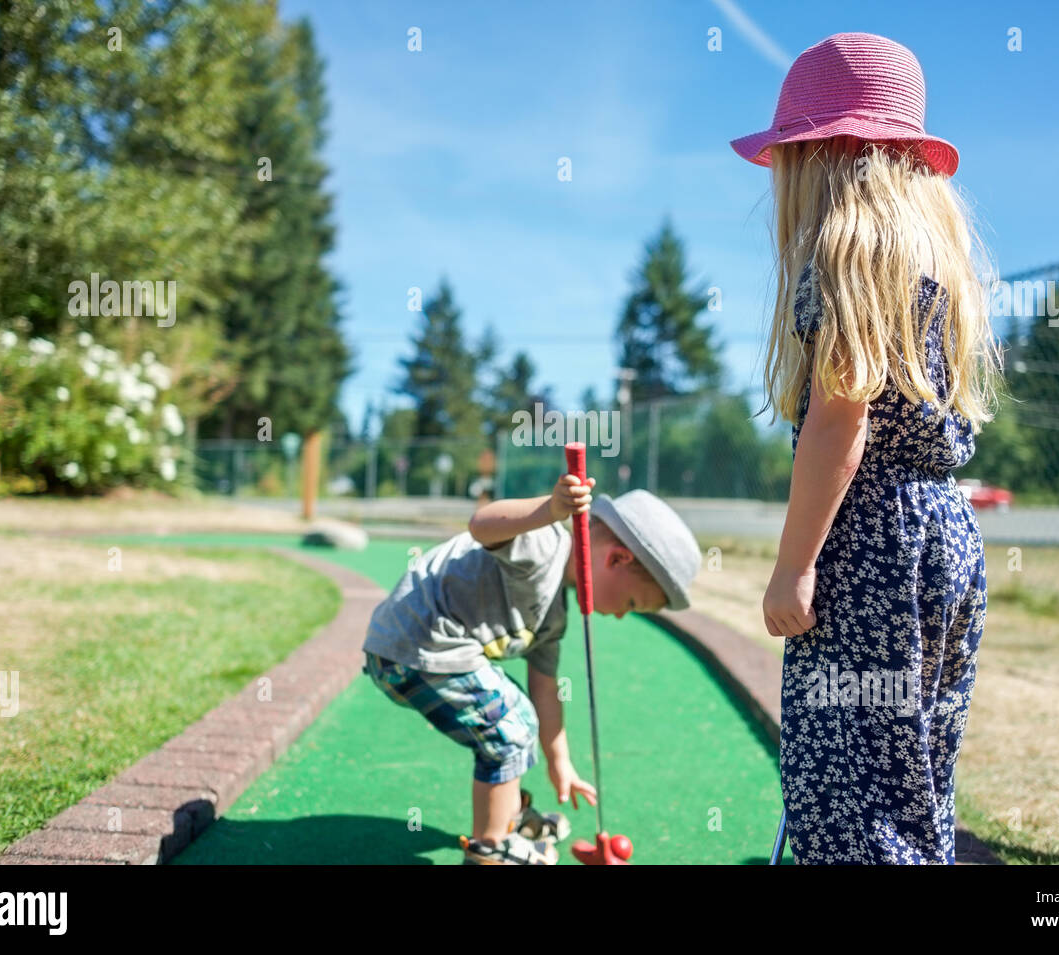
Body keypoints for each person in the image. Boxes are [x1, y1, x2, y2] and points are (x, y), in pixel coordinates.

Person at [730, 32, 1002, 864]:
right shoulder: (939, 258)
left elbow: (838, 423)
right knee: (915, 780)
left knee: (846, 796)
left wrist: (793, 564)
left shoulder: (843, 254)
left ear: (829, 151)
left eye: (792, 154)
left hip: (867, 543)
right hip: (944, 537)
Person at [361, 472, 702, 864]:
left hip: (417, 654)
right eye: (631, 602)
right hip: (415, 642)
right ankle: (491, 849)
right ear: (616, 559)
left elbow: (545, 690)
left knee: (514, 715)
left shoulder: (553, 619)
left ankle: (508, 815)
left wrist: (561, 765)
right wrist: (551, 510)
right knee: (511, 725)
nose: (623, 616)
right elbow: (482, 525)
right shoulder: (546, 545)